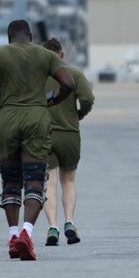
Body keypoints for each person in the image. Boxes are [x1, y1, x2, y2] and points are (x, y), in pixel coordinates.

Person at [0, 20, 75, 261]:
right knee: (35, 180)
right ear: (30, 36)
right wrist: (54, 101)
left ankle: (11, 237)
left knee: (10, 181)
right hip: (35, 119)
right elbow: (68, 83)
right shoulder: (44, 54)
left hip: (7, 119)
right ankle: (26, 234)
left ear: (9, 37)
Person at [40, 37, 95, 246]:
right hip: (70, 133)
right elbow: (88, 98)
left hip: (45, 134)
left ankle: (52, 227)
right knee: (69, 182)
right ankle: (69, 223)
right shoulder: (74, 74)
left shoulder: (39, 78)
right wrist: (80, 113)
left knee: (49, 183)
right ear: (62, 55)